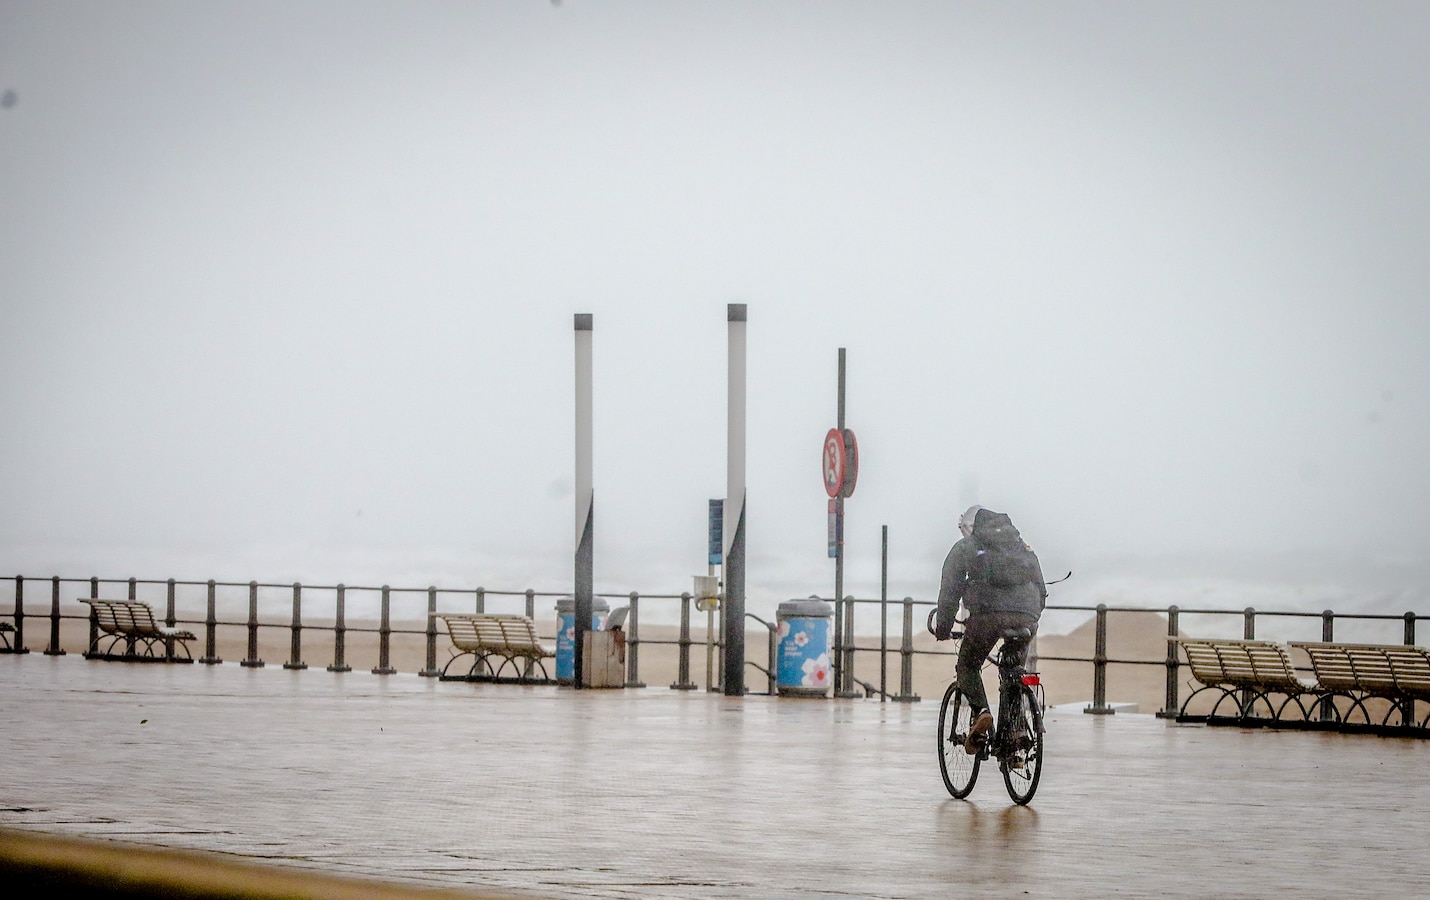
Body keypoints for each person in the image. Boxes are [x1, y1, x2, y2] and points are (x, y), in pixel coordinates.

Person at [934, 505, 1047, 754]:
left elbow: (950, 588)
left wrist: (943, 626)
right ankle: (1016, 730)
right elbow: (1040, 586)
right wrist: (1032, 616)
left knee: (967, 665)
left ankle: (982, 713)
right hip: (1027, 616)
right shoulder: (1020, 545)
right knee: (1012, 670)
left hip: (988, 616)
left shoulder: (965, 547)